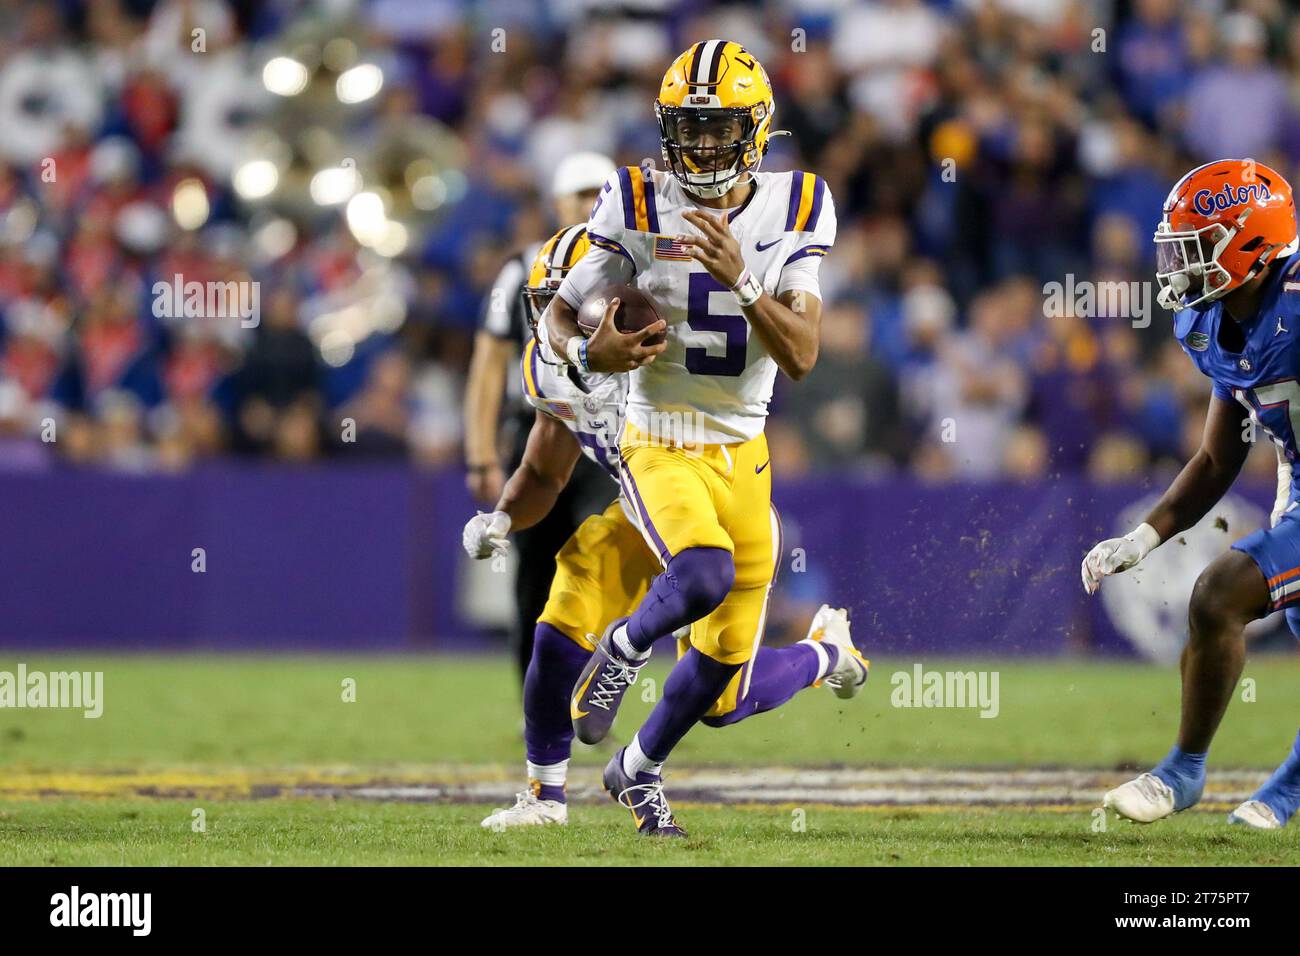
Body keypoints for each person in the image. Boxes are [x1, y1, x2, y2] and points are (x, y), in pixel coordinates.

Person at [464, 225, 867, 830]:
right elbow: (545, 470)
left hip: (705, 500)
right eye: (548, 304)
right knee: (561, 617)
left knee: (724, 702)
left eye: (568, 302)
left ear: (617, 301)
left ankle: (824, 654)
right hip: (634, 513)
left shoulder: (672, 358)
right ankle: (544, 799)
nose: (555, 320)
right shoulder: (551, 367)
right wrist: (500, 515)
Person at [544, 40, 839, 834]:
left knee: (723, 693)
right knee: (701, 573)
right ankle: (626, 647)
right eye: (690, 127)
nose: (704, 145)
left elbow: (803, 356)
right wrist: (584, 352)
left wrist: (744, 278)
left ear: (757, 127)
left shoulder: (801, 202)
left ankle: (639, 772)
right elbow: (559, 309)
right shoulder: (636, 196)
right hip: (660, 435)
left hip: (747, 452)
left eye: (720, 128)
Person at [1083, 158, 1300, 829]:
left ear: (1253, 246)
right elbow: (1216, 454)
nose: (1179, 262)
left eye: (1198, 245)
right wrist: (1145, 535)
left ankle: (1184, 771)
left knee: (1218, 594)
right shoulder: (1209, 324)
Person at [462, 152, 617, 684]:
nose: (587, 203)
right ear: (556, 201)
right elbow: (488, 363)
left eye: (598, 191)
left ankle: (591, 686)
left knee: (596, 549)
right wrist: (481, 452)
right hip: (539, 424)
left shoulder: (633, 258)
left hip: (608, 432)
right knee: (533, 569)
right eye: (578, 193)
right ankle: (538, 695)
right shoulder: (524, 265)